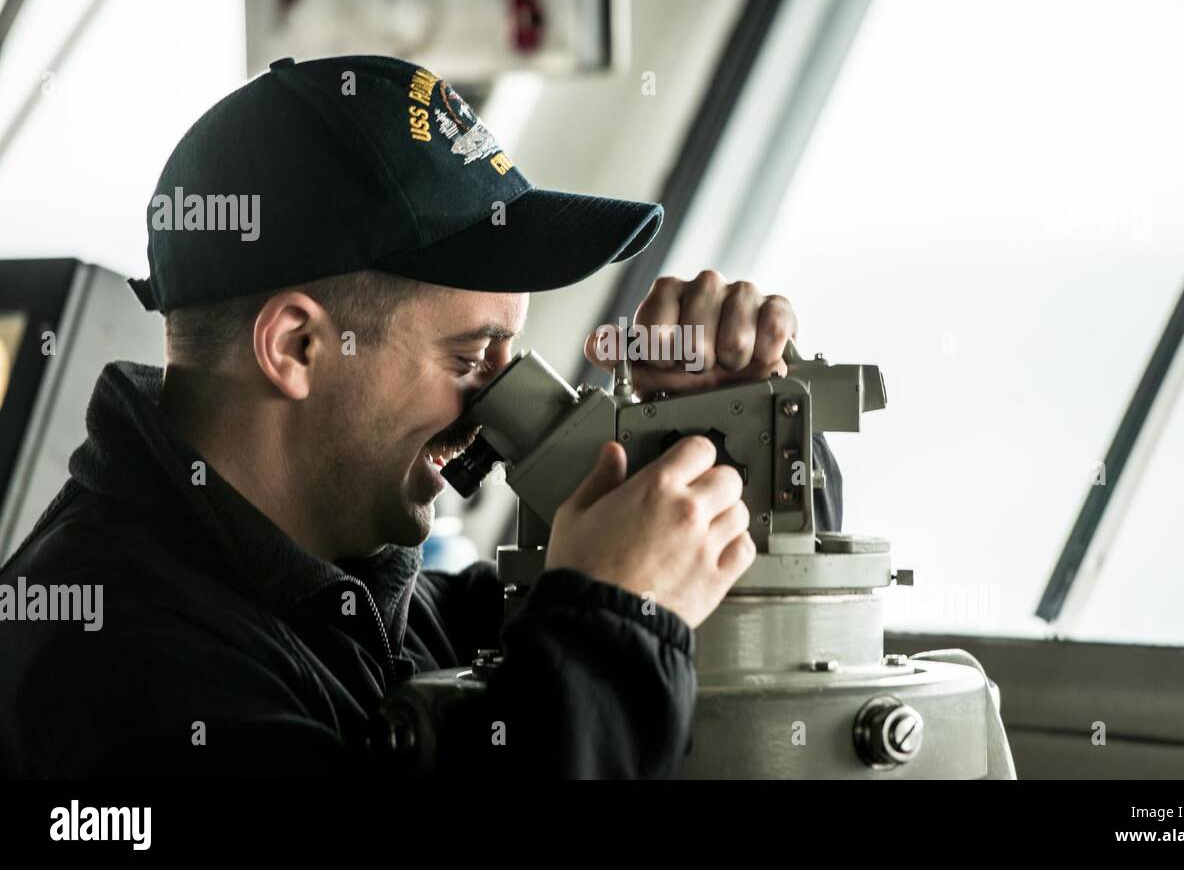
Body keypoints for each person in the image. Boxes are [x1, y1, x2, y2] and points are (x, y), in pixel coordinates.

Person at [0, 56, 840, 778]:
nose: (498, 406)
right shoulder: (104, 660)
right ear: (295, 346)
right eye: (472, 359)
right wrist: (613, 627)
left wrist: (728, 428)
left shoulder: (369, 605)